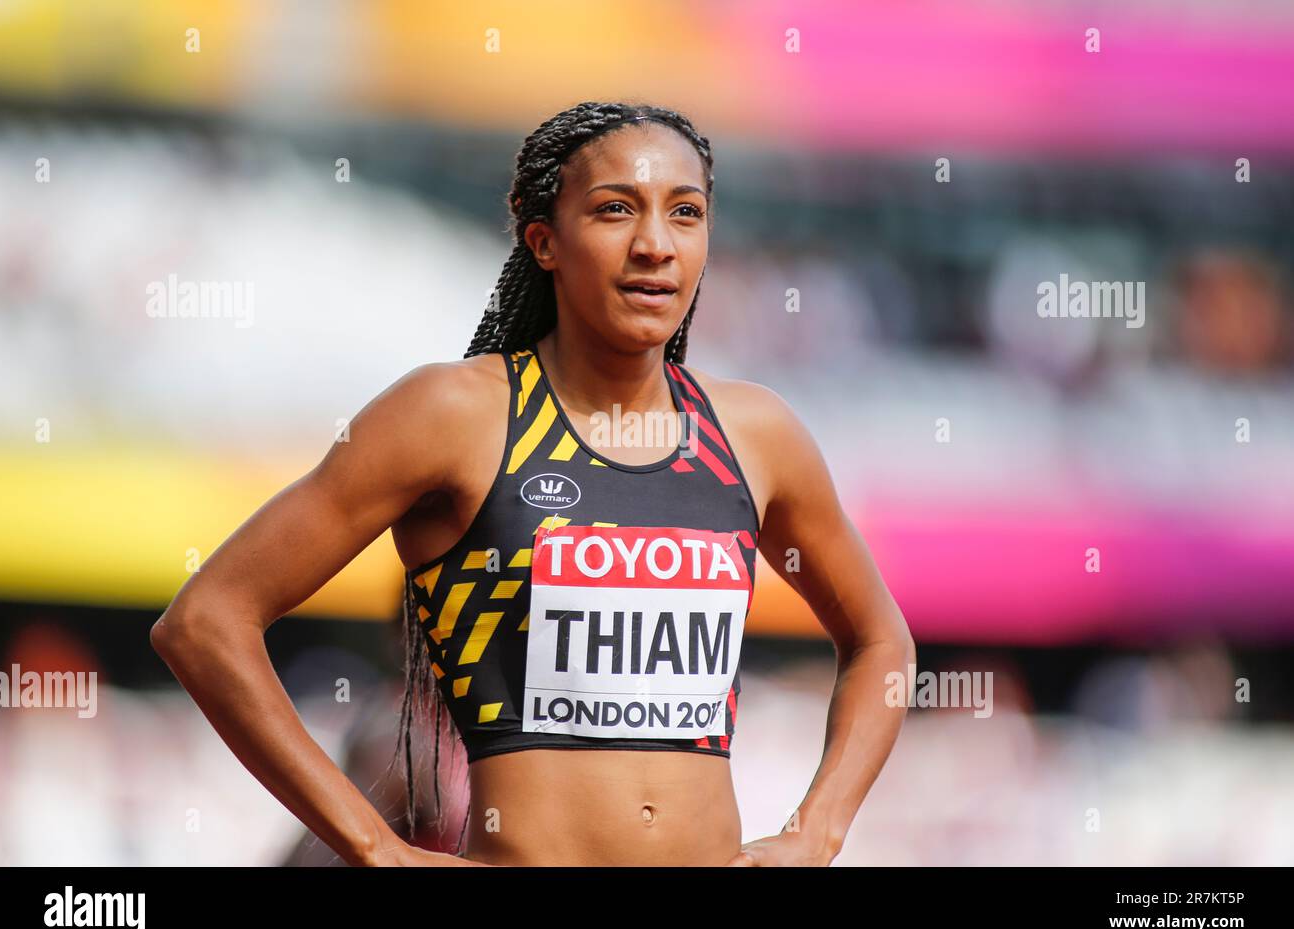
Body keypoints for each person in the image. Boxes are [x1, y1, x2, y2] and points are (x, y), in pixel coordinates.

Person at [151, 101, 915, 867]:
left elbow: (882, 641)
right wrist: (375, 848)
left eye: (686, 214)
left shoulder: (758, 434)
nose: (655, 245)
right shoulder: (451, 415)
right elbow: (207, 621)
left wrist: (819, 829)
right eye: (616, 210)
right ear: (544, 242)